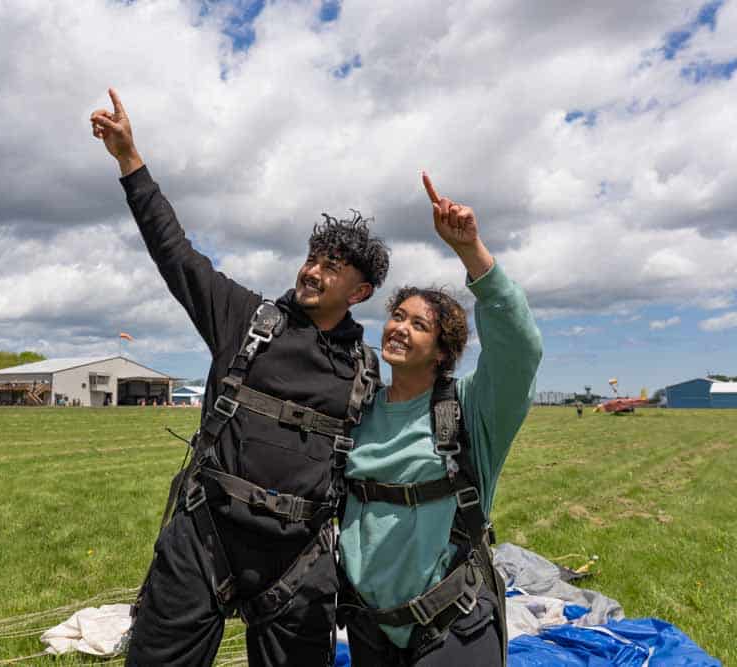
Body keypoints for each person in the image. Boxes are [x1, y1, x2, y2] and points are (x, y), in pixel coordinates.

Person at [90, 89, 390, 666]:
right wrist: (131, 161)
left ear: (359, 293)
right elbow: (176, 254)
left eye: (331, 267)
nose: (312, 271)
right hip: (204, 537)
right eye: (311, 257)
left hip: (299, 560)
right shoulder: (246, 319)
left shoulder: (367, 372)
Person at [337, 173, 543, 666]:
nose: (399, 328)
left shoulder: (471, 410)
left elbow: (520, 347)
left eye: (418, 324)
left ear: (444, 350)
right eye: (397, 316)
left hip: (453, 622)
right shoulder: (355, 410)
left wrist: (472, 251)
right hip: (369, 626)